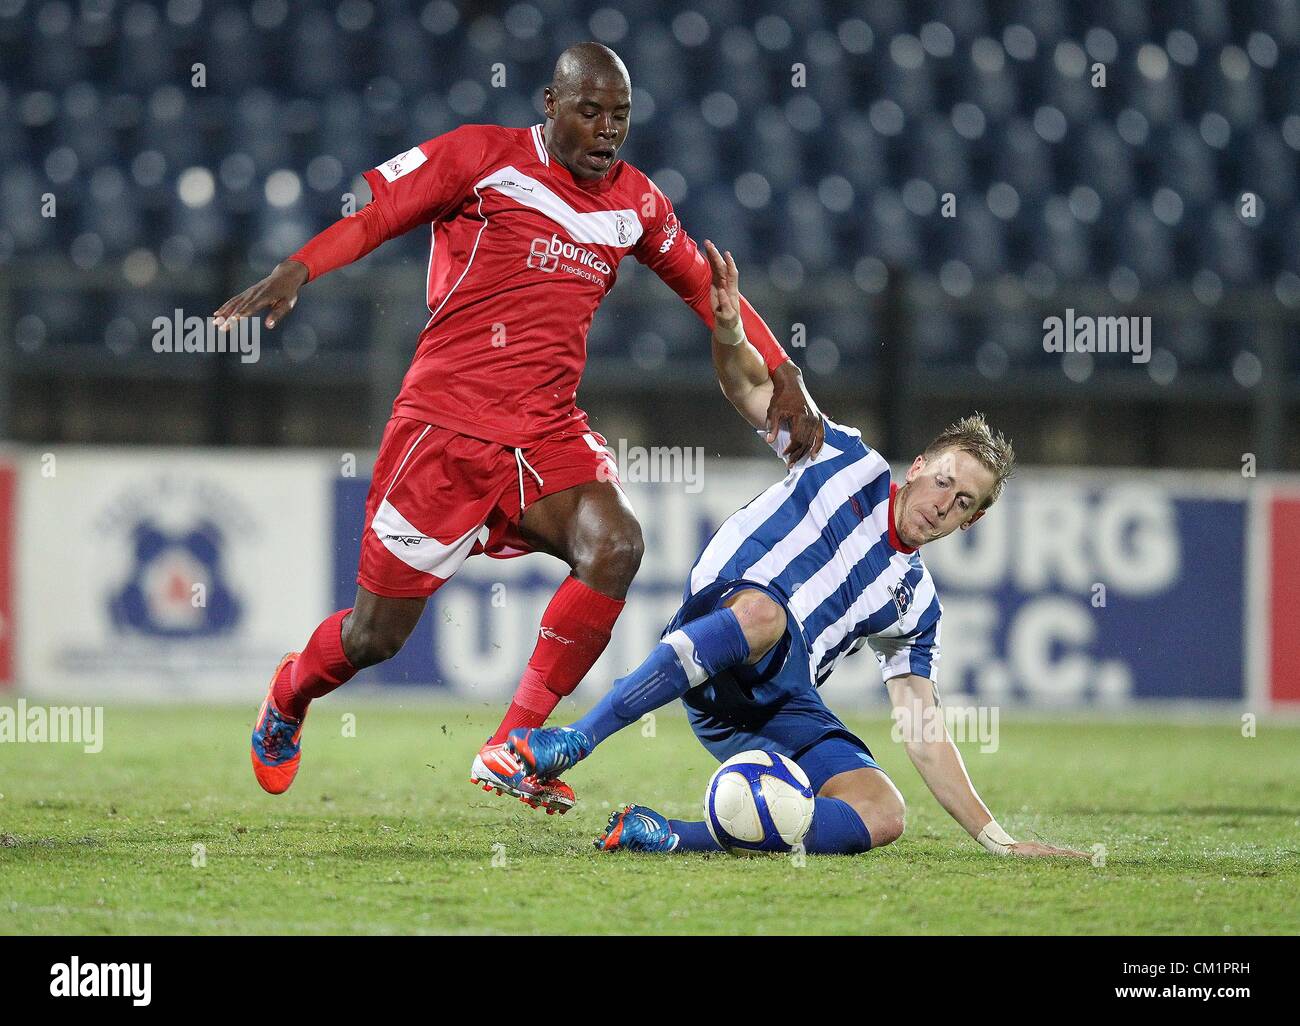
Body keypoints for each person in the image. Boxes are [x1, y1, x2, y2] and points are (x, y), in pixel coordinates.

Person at [221, 44, 824, 812]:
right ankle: (291, 692)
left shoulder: (636, 204)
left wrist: (784, 372)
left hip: (543, 434)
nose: (608, 130)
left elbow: (713, 296)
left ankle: (513, 748)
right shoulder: (481, 157)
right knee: (375, 638)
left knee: (616, 544)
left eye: (622, 115)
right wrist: (301, 267)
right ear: (550, 102)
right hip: (443, 431)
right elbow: (375, 215)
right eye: (590, 111)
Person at [508, 242, 1088, 859]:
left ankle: (664, 836)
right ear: (916, 468)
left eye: (966, 502)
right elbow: (749, 389)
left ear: (970, 523)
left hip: (775, 701)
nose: (946, 503)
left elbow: (921, 728)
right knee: (766, 614)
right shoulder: (843, 457)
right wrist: (730, 330)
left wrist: (1000, 841)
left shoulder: (915, 605)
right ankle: (572, 740)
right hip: (724, 627)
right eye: (944, 481)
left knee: (884, 814)